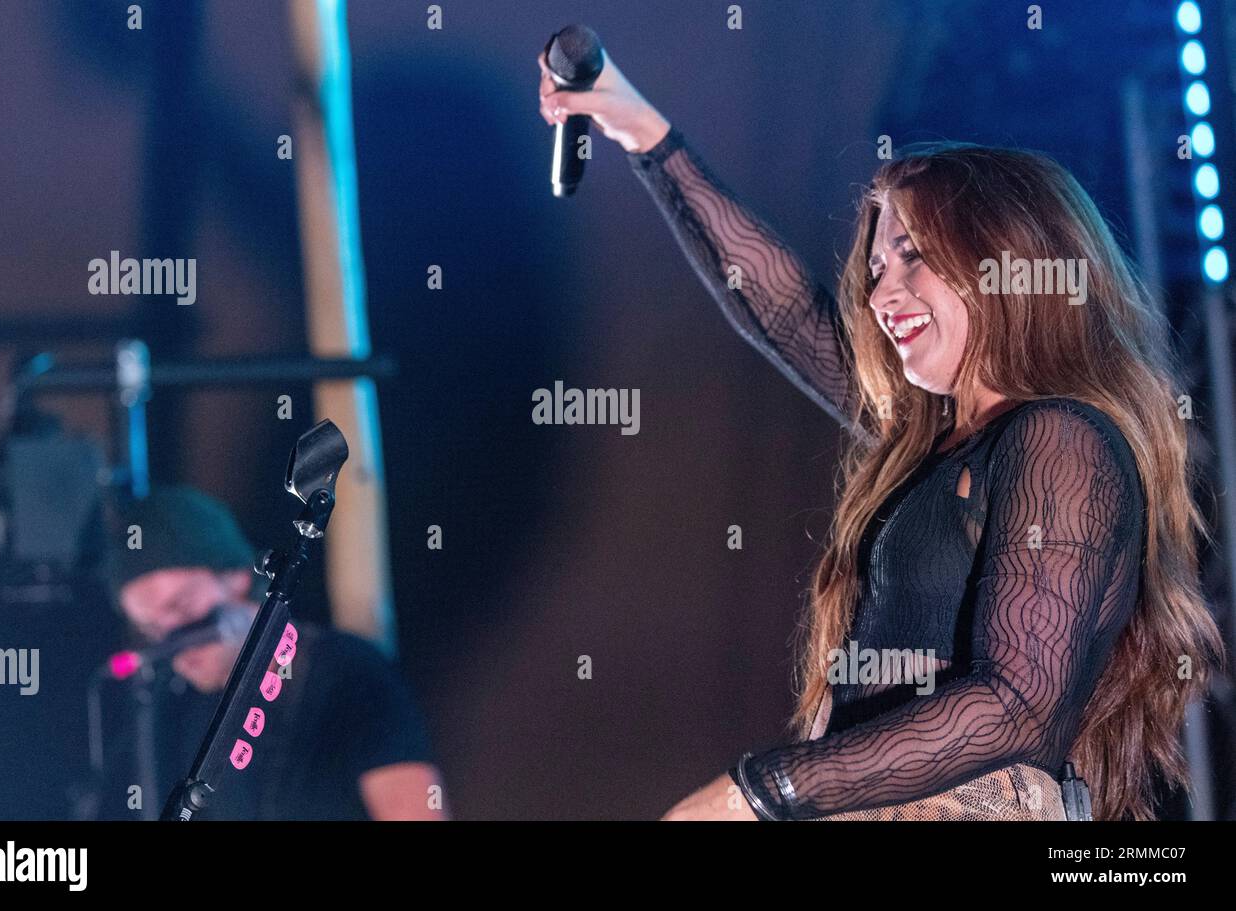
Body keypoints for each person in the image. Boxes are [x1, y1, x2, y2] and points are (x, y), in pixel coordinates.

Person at [537, 51, 1225, 820]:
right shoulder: (932, 443)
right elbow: (786, 311)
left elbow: (1015, 704)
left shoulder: (1062, 439)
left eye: (914, 259)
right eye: (875, 264)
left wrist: (758, 792)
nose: (881, 292)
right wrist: (641, 129)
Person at [96, 485, 447, 821]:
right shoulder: (192, 715)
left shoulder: (349, 676)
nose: (173, 641)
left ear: (236, 578)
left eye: (182, 606)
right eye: (153, 630)